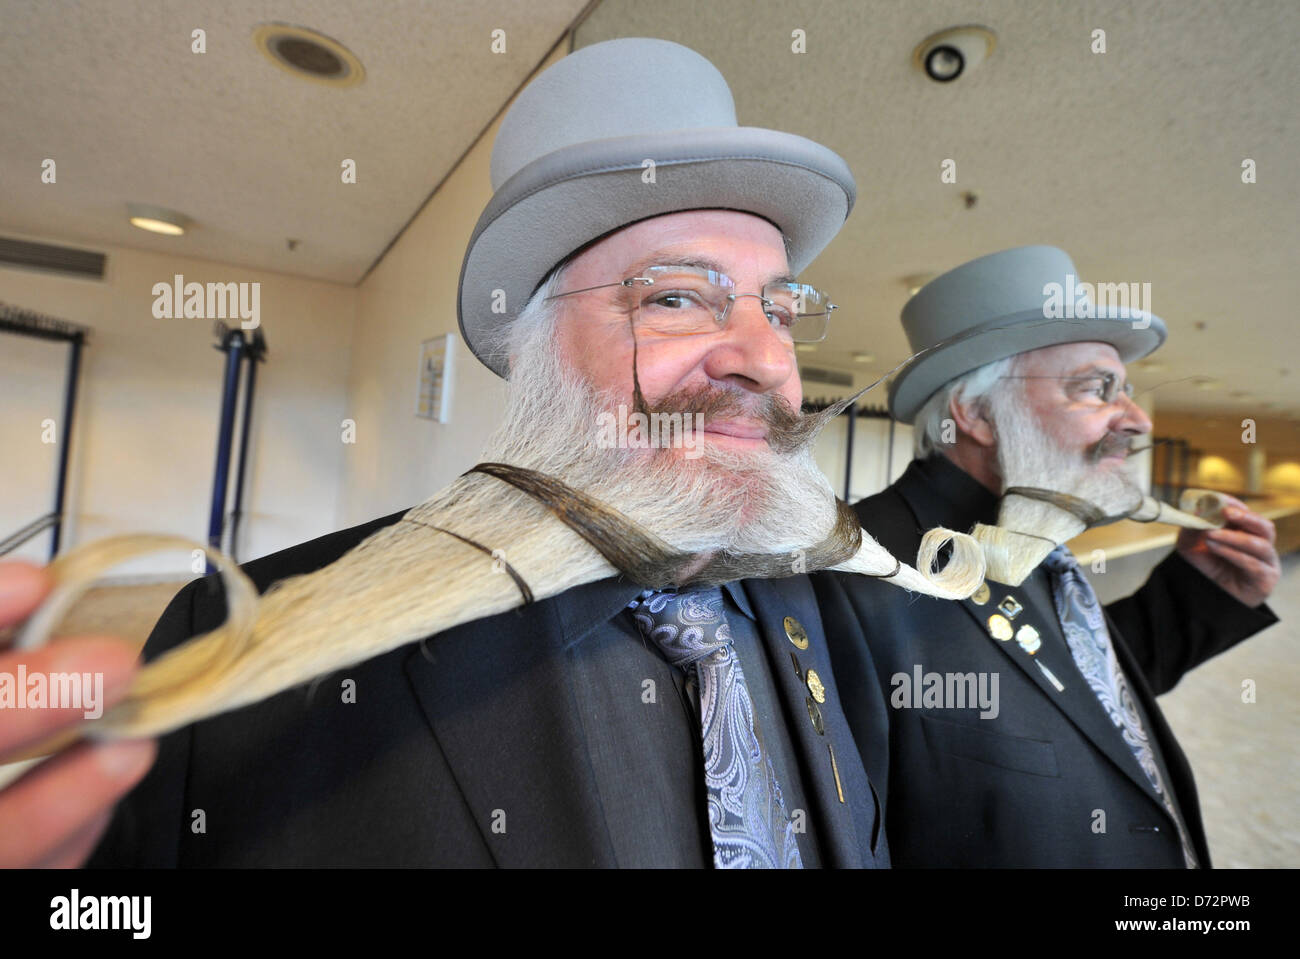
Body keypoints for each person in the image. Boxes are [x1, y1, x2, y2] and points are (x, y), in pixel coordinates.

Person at [1, 38, 896, 868]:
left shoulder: (814, 616)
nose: (768, 359)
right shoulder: (251, 651)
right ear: (534, 346)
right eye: (674, 298)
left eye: (778, 309)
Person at [815, 245, 1281, 867]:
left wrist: (1204, 589)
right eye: (1097, 390)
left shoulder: (1031, 532)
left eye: (1127, 391)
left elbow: (1070, 693)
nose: (1137, 420)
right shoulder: (856, 570)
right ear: (976, 413)